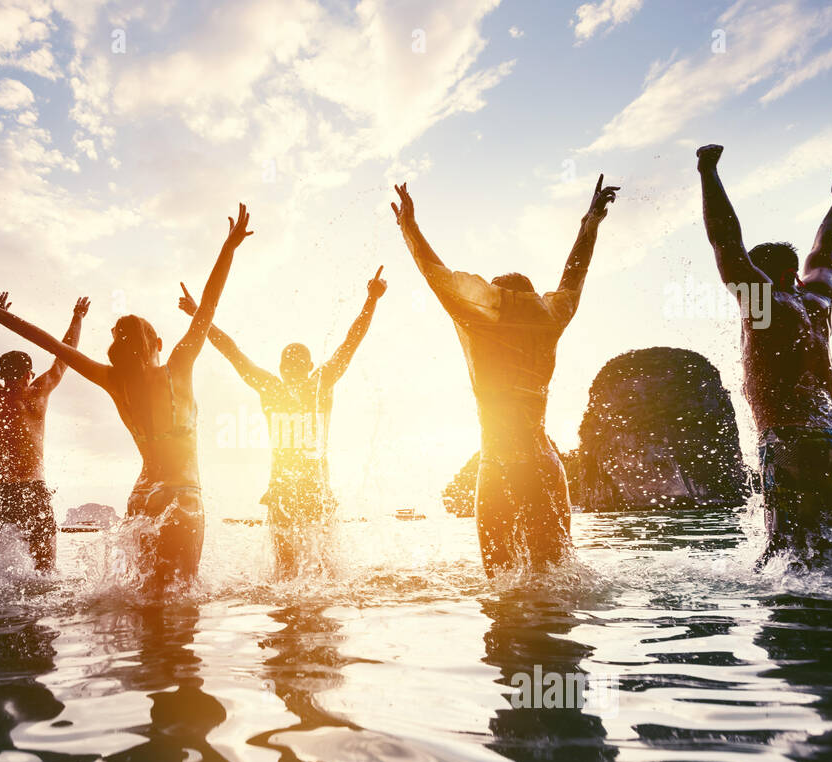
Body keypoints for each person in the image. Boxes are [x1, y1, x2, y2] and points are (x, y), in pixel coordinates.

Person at [0, 203, 254, 593]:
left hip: (141, 496)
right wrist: (228, 249)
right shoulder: (178, 365)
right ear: (159, 344)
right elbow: (210, 305)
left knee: (143, 596)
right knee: (180, 597)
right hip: (182, 493)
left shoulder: (112, 379)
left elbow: (48, 342)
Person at [391, 177, 618, 570]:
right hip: (543, 464)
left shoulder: (478, 322)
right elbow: (574, 274)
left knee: (501, 586)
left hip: (496, 465)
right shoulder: (550, 319)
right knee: (556, 577)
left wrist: (409, 227)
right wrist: (589, 224)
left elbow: (435, 273)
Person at [696, 145, 832, 565]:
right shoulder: (819, 301)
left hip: (791, 439)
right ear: (795, 272)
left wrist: (708, 171)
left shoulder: (764, 301)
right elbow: (827, 246)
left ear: (765, 273)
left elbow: (724, 239)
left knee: (786, 558)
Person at [179, 267, 386, 577]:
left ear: (286, 366)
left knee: (288, 573)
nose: (291, 368)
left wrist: (199, 314)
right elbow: (350, 342)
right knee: (326, 573)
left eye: (293, 363)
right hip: (307, 489)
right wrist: (371, 299)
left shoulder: (276, 387)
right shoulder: (318, 383)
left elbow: (232, 351)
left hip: (291, 490)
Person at [0, 284, 88, 572]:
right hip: (33, 491)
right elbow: (65, 355)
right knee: (46, 572)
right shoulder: (37, 395)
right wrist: (77, 317)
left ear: (2, 375)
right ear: (29, 374)